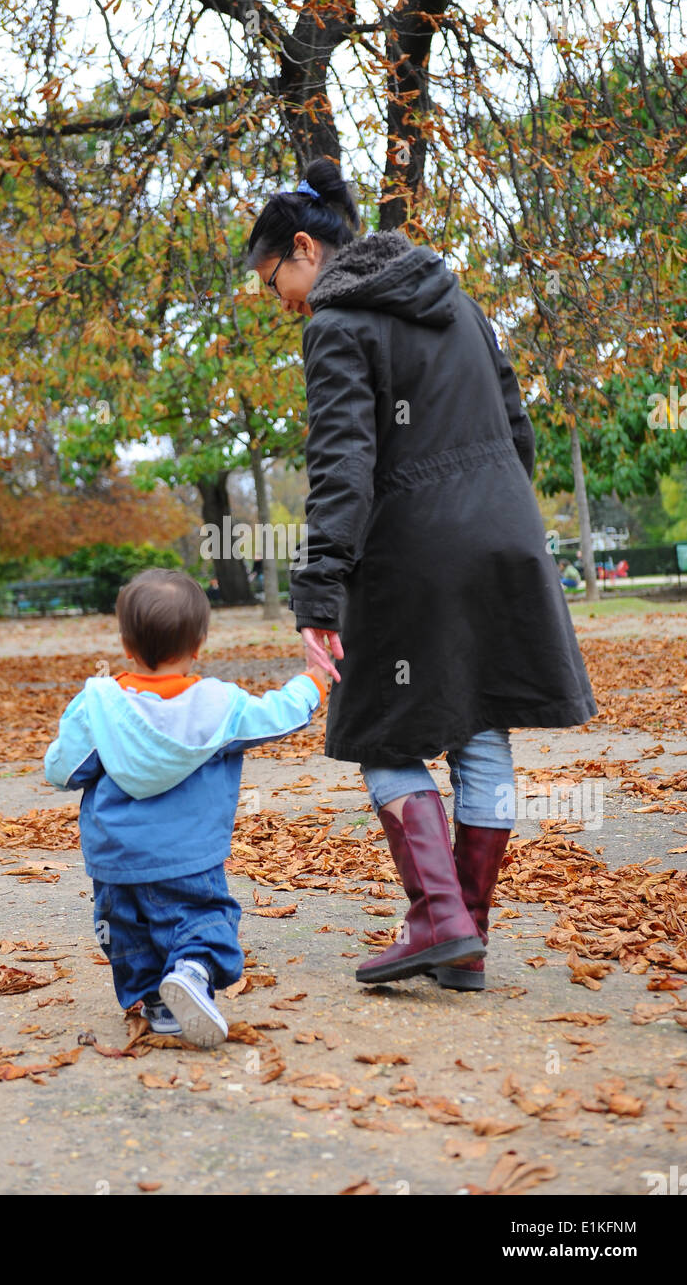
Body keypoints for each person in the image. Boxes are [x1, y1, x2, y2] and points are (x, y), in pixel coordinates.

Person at [246, 158, 597, 992]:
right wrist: (499, 512)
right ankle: (463, 937)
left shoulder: (336, 325)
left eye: (275, 281)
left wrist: (318, 589)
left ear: (305, 247)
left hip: (413, 550)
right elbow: (515, 423)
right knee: (480, 725)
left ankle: (438, 918)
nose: (280, 301)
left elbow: (341, 468)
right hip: (501, 539)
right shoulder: (459, 302)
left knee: (380, 727)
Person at [44, 568, 328, 1046]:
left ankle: (159, 1003)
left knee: (128, 937)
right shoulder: (218, 706)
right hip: (187, 855)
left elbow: (62, 771)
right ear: (198, 645)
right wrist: (312, 682)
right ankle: (194, 971)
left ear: (126, 644)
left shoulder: (98, 706)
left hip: (116, 860)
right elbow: (275, 716)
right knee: (202, 920)